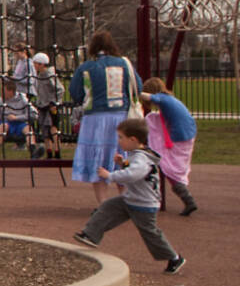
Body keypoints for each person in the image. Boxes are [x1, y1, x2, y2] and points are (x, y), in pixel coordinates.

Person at [74, 117, 184, 273]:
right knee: (107, 207)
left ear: (133, 139)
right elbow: (136, 170)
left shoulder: (140, 157)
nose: (119, 141)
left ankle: (174, 258)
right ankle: (91, 235)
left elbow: (133, 174)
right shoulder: (139, 154)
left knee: (150, 233)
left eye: (121, 138)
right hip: (131, 199)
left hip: (143, 204)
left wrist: (110, 175)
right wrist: (123, 163)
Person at [67, 30, 141, 203]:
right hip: (120, 117)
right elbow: (137, 86)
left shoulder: (85, 67)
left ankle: (102, 203)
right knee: (121, 158)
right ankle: (126, 199)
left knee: (97, 160)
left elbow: (75, 92)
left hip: (95, 119)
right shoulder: (124, 63)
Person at [141, 77, 199, 216]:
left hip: (180, 135)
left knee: (170, 166)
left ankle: (187, 198)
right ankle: (185, 197)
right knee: (173, 165)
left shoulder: (163, 99)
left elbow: (155, 99)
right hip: (187, 133)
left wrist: (135, 90)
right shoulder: (171, 100)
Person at [0, 78, 35, 157]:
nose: (1, 93)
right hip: (7, 124)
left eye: (4, 91)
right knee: (3, 126)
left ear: (10, 91)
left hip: (19, 123)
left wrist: (17, 118)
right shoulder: (1, 101)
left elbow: (33, 114)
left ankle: (33, 153)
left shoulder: (22, 99)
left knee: (28, 130)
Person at [30, 52, 62, 157]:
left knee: (52, 127)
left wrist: (54, 102)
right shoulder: (39, 76)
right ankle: (49, 152)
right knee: (44, 128)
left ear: (41, 64)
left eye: (36, 64)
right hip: (42, 106)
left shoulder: (49, 75)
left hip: (50, 105)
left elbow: (60, 89)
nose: (34, 66)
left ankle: (57, 151)